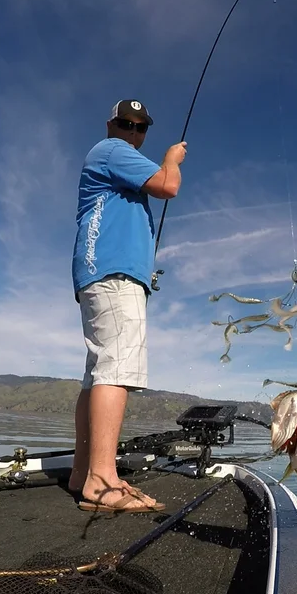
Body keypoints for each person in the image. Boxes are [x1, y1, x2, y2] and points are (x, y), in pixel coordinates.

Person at [67, 99, 187, 513]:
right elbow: (168, 186)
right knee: (116, 368)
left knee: (98, 374)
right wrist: (171, 159)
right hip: (114, 273)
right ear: (111, 125)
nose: (133, 132)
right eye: (126, 123)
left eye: (140, 127)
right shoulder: (114, 150)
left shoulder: (114, 159)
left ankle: (83, 473)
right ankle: (102, 483)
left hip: (100, 272)